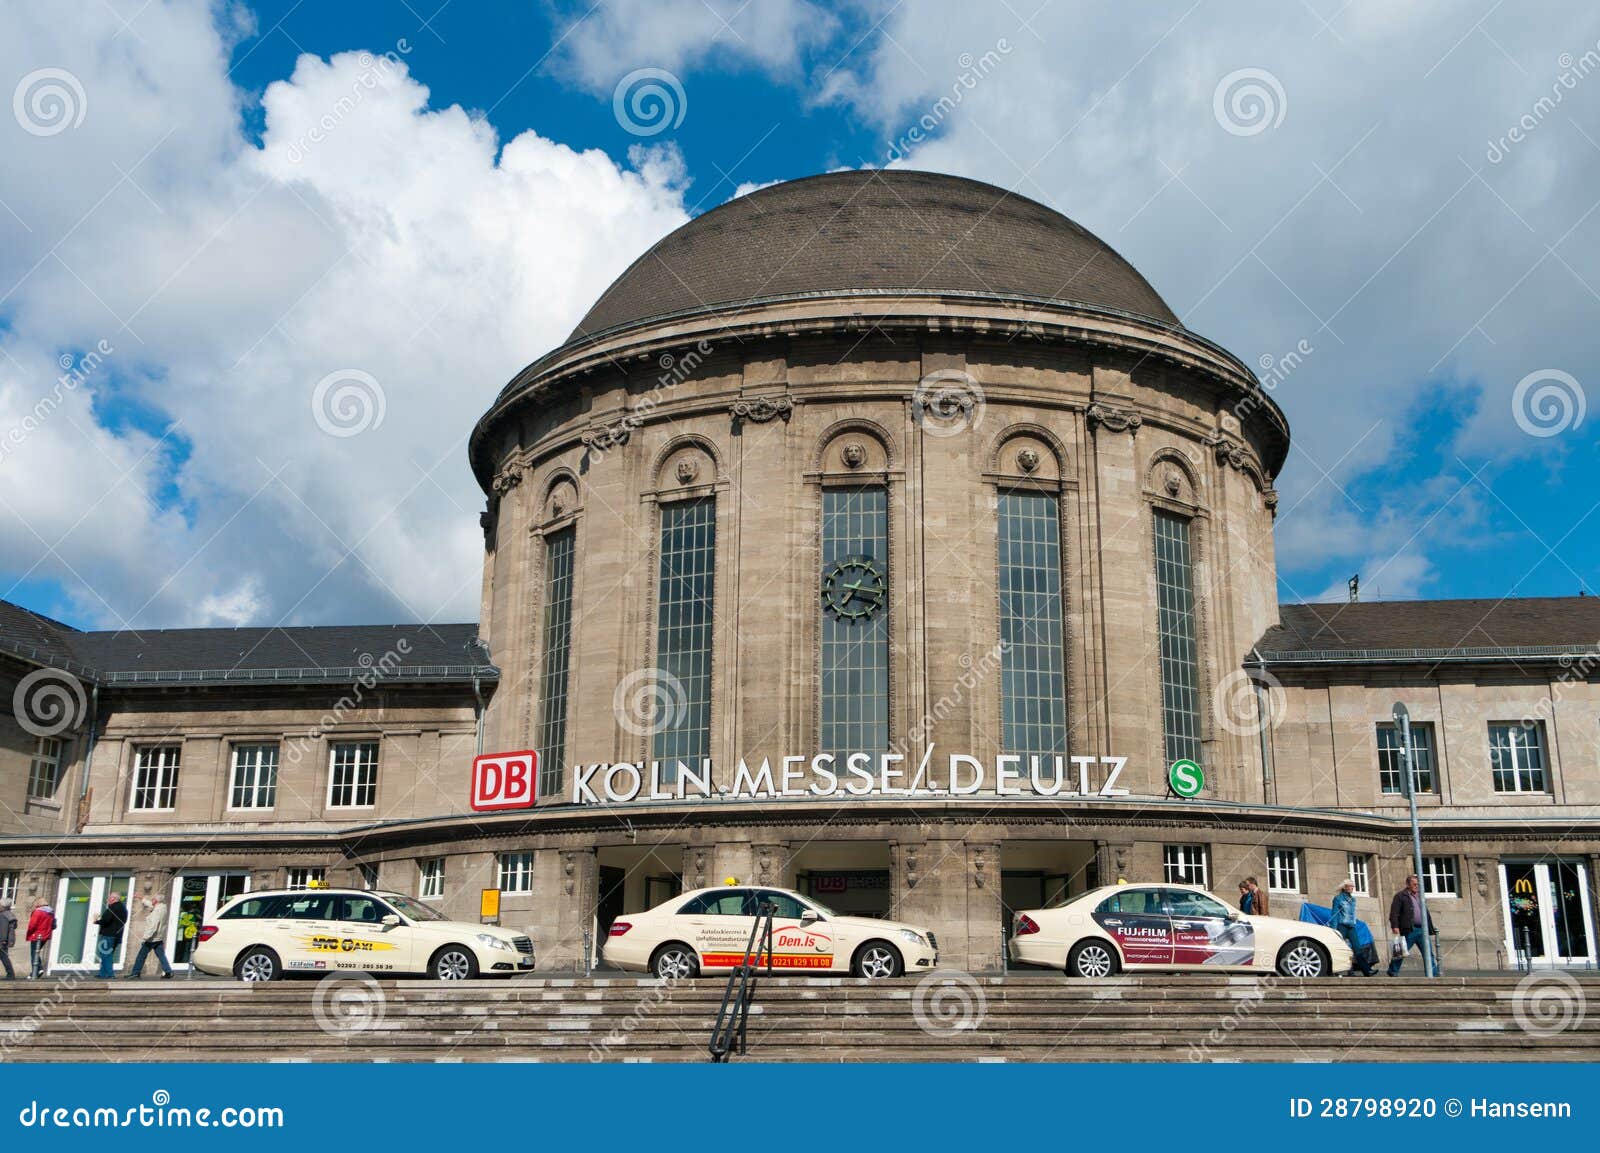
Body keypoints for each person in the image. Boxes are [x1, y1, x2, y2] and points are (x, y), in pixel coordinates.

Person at [1386, 873, 1440, 976]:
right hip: (1409, 929)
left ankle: (1433, 974)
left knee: (1428, 953)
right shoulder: (1400, 896)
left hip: (1422, 929)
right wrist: (1395, 926)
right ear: (1408, 884)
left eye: (1418, 884)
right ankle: (1393, 971)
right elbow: (1394, 912)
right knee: (1401, 952)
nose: (1417, 886)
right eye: (1414, 884)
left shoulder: (1420, 896)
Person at [1331, 880, 1376, 976]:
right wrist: (1333, 929)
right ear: (1345, 887)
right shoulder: (1338, 899)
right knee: (1340, 949)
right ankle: (1337, 970)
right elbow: (1334, 915)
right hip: (1341, 926)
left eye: (1353, 886)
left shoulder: (1353, 899)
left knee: (1357, 949)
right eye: (1350, 886)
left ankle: (1367, 970)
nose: (1352, 888)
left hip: (1351, 927)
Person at [125, 896, 173, 979]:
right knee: (161, 955)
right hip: (158, 937)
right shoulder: (162, 907)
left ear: (157, 901)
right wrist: (141, 898)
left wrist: (145, 938)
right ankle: (168, 972)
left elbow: (153, 926)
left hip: (152, 938)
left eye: (153, 899)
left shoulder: (157, 911)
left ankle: (135, 972)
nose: (152, 900)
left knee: (141, 955)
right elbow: (150, 904)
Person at [95, 892, 127, 979]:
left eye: (109, 898)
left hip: (109, 934)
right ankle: (102, 973)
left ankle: (110, 974)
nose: (108, 899)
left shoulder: (113, 907)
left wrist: (96, 921)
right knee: (107, 954)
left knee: (105, 954)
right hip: (117, 935)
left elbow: (106, 920)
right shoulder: (123, 908)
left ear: (114, 899)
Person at [26, 900, 54, 978]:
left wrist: (29, 932)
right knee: (36, 952)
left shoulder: (38, 912)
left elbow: (32, 925)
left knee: (34, 953)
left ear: (38, 904)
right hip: (45, 935)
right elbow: (54, 925)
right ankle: (37, 970)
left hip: (37, 935)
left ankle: (37, 971)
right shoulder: (51, 912)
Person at [0, 899, 16, 979]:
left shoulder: (3, 915)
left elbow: (3, 929)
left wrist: (3, 940)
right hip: (4, 940)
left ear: (3, 906)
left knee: (4, 957)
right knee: (4, 957)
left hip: (1, 940)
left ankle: (10, 974)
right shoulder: (9, 914)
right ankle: (10, 974)